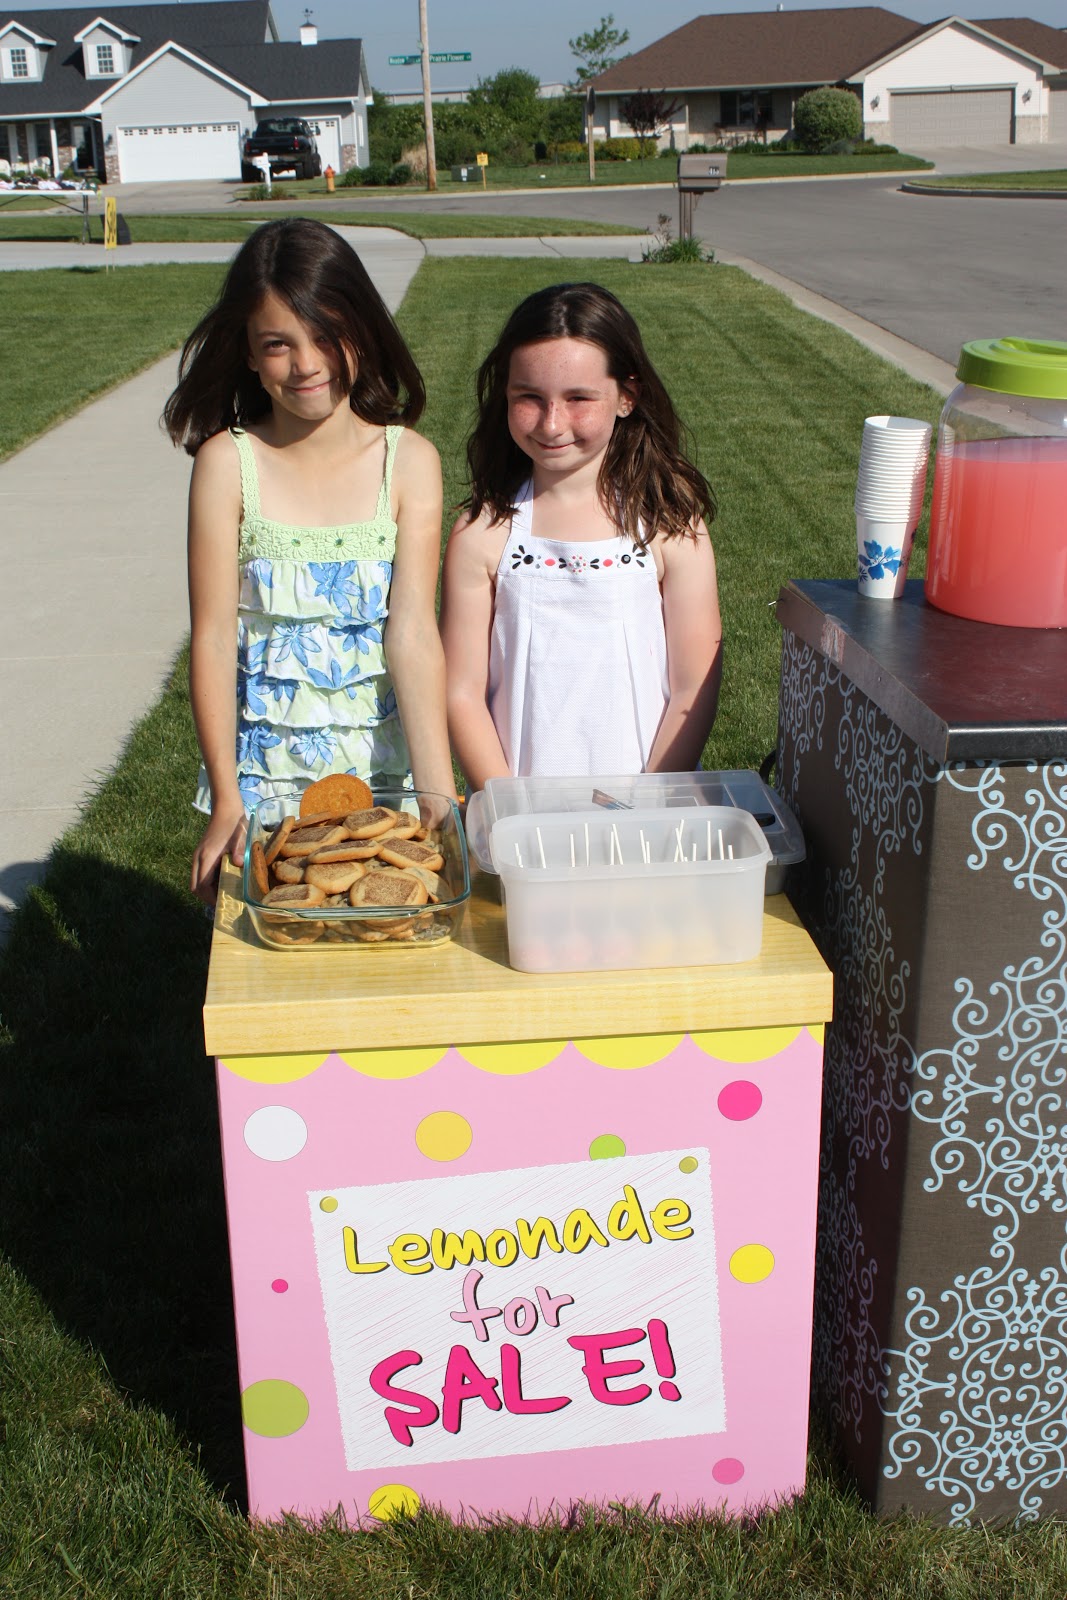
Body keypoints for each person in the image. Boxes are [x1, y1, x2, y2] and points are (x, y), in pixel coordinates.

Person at [164, 218, 454, 906]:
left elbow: (412, 631)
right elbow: (210, 638)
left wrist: (437, 788)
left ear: (363, 327)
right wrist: (227, 797)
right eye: (278, 344)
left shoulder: (409, 463)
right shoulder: (226, 466)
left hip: (385, 778)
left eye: (327, 334)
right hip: (266, 780)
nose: (307, 364)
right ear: (247, 352)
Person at [439, 281, 722, 792]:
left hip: (648, 817)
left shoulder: (671, 529)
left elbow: (692, 691)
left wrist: (649, 803)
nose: (552, 423)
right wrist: (510, 807)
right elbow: (461, 692)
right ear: (504, 394)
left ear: (626, 396)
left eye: (578, 398)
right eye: (529, 398)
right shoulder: (481, 535)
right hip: (523, 825)